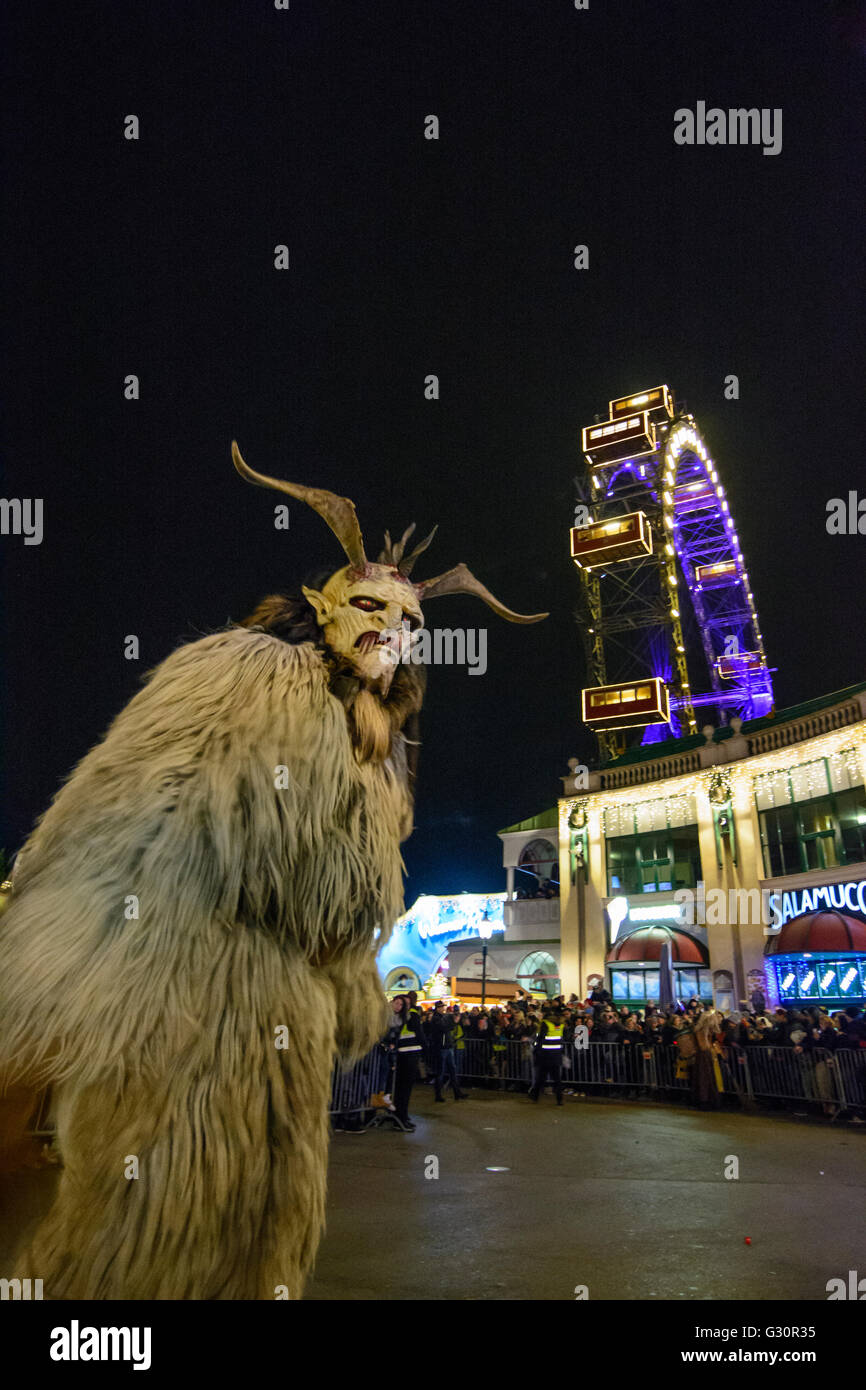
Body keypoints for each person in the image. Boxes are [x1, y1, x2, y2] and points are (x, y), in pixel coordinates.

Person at [387, 995, 424, 1131]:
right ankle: (400, 1118)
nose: (404, 1006)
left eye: (406, 1004)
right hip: (408, 1055)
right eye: (403, 1004)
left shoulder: (403, 1017)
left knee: (402, 1089)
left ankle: (402, 1116)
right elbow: (419, 1034)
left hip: (403, 1054)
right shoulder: (410, 1017)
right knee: (404, 1089)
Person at [431, 1001, 466, 1101]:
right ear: (437, 1008)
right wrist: (454, 1022)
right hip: (442, 1047)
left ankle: (456, 1092)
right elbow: (444, 1028)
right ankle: (439, 1095)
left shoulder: (441, 1017)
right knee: (442, 1072)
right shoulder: (437, 1018)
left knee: (451, 1071)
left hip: (446, 1046)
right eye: (441, 1007)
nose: (443, 1009)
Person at [529, 1008, 565, 1105]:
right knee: (557, 1079)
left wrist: (536, 1049)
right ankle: (559, 1099)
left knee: (541, 1077)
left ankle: (535, 1096)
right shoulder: (560, 1025)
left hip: (545, 1055)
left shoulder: (545, 1024)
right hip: (556, 1055)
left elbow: (540, 1038)